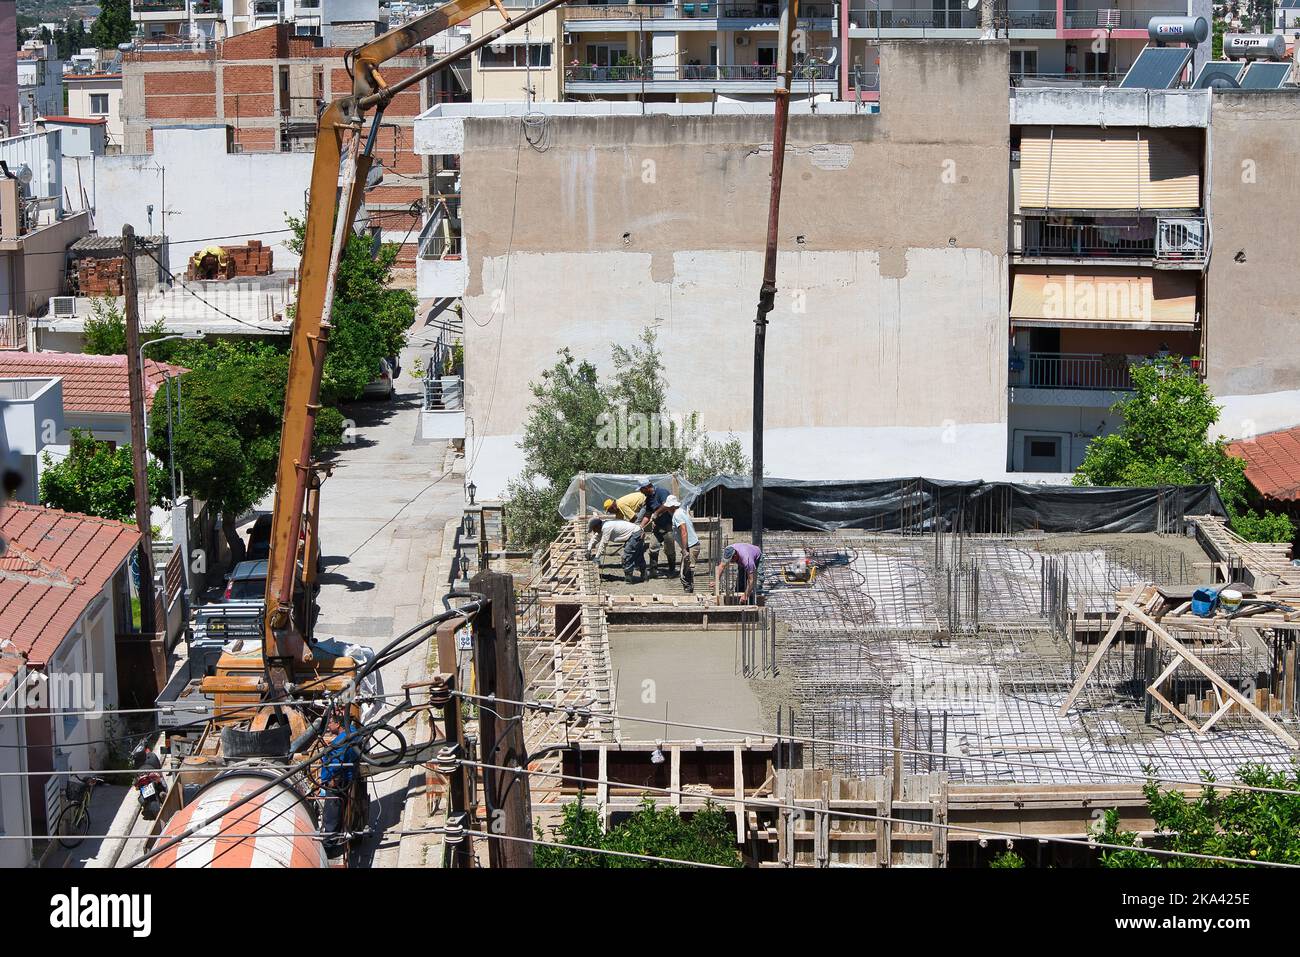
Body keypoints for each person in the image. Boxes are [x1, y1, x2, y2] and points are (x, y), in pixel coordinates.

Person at [319, 710, 359, 856]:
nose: (328, 726)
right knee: (338, 808)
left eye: (330, 722)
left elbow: (337, 760)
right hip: (345, 777)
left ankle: (329, 844)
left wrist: (333, 779)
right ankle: (334, 836)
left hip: (337, 780)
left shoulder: (341, 741)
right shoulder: (352, 732)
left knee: (332, 811)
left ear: (338, 724)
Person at [634, 476, 676, 578]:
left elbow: (666, 505)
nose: (641, 492)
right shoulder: (648, 499)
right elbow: (648, 514)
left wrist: (657, 513)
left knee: (669, 550)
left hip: (668, 526)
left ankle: (672, 570)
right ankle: (653, 571)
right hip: (657, 526)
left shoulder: (662, 492)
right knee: (653, 547)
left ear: (647, 487)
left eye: (641, 489)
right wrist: (640, 527)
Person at [587, 516, 648, 583]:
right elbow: (596, 538)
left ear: (597, 526)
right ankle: (644, 576)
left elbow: (603, 543)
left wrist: (597, 557)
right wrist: (588, 549)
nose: (594, 531)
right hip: (635, 532)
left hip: (635, 534)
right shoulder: (602, 526)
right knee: (638, 555)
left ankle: (629, 579)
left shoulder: (606, 527)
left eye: (593, 529)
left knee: (627, 555)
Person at [661, 494, 700, 593]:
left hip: (691, 546)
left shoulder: (677, 515)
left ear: (672, 507)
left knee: (685, 574)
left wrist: (684, 549)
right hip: (692, 545)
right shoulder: (681, 511)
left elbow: (683, 531)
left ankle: (689, 593)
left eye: (668, 507)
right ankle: (689, 590)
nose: (667, 509)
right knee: (686, 571)